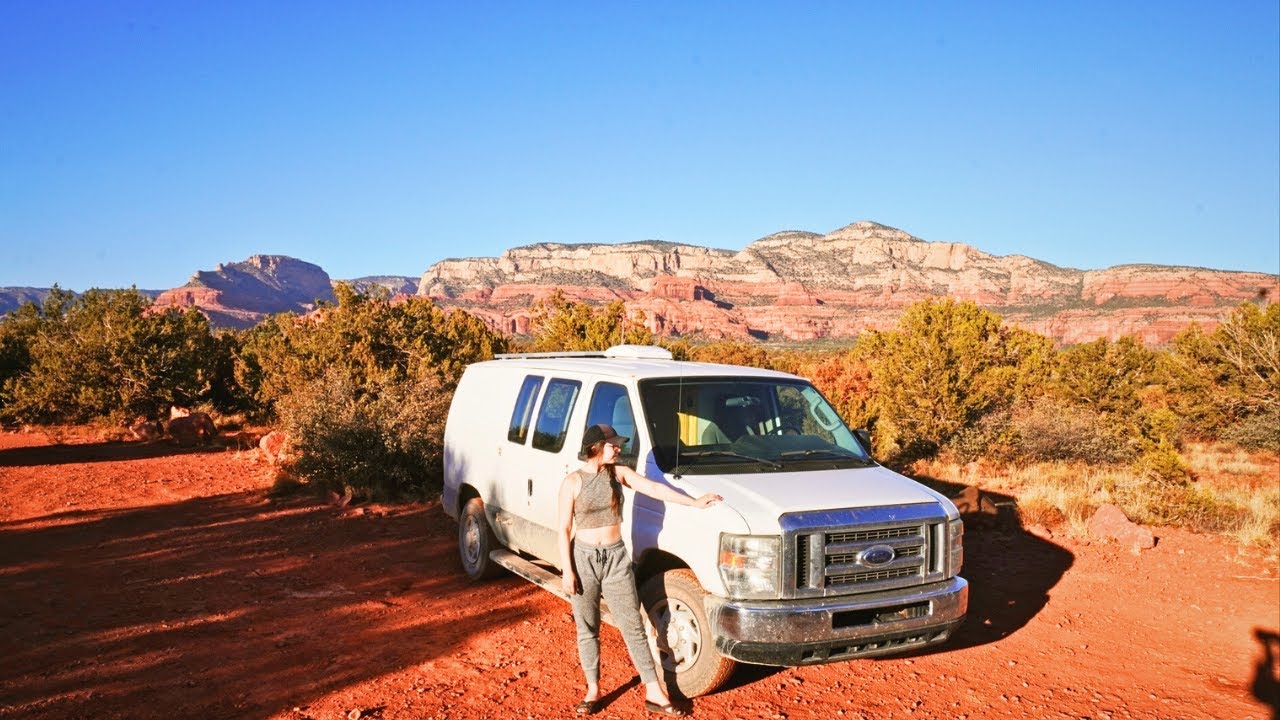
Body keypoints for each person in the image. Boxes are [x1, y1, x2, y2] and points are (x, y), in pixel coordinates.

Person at [558, 423, 722, 717]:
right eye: (613, 444)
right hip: (583, 559)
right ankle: (593, 690)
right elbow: (563, 528)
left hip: (615, 558)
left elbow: (654, 488)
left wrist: (694, 503)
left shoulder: (618, 473)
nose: (618, 448)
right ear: (596, 446)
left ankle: (655, 693)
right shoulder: (572, 482)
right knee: (588, 628)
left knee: (632, 625)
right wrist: (567, 571)